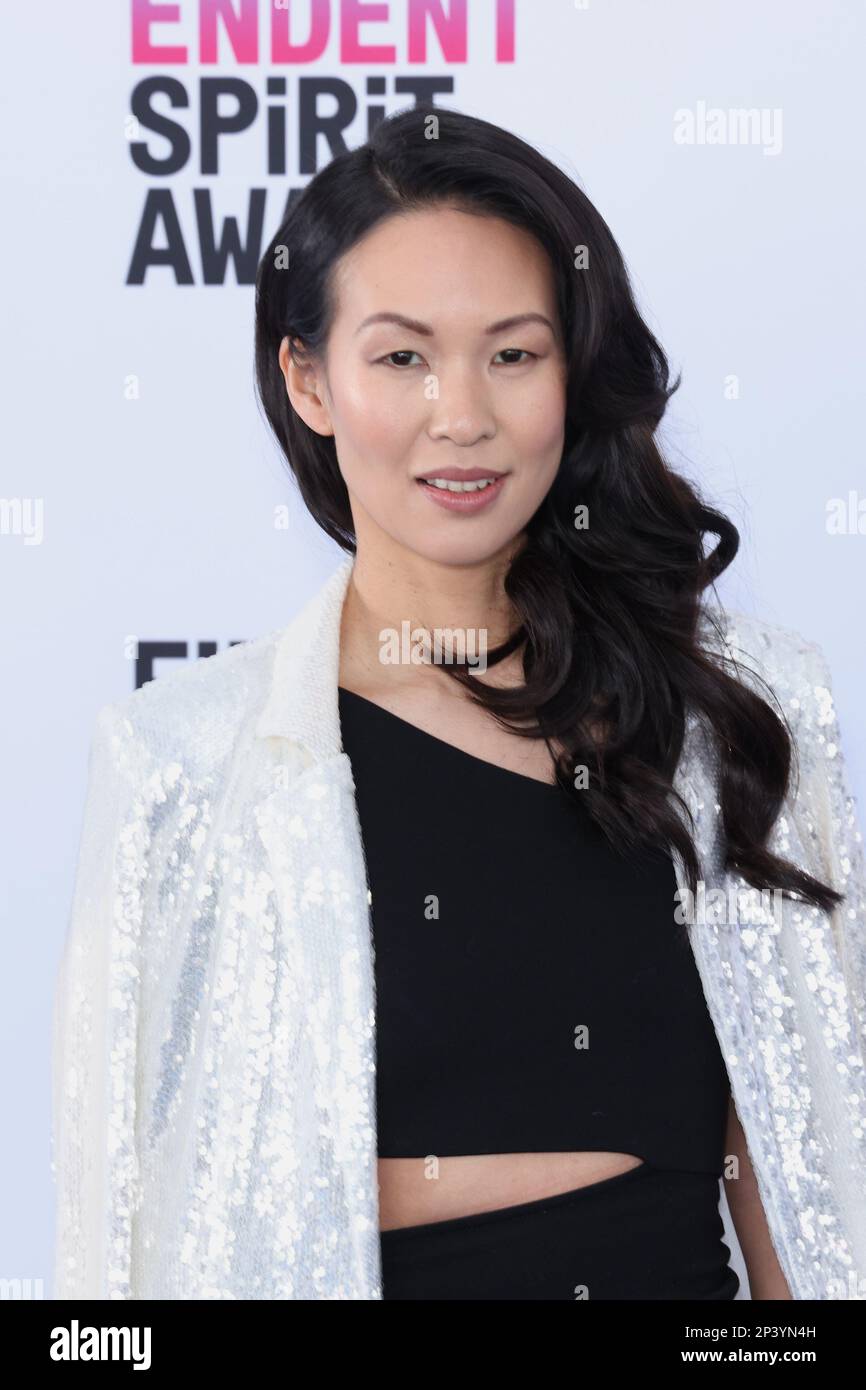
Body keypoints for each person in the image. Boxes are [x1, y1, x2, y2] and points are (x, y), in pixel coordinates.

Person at [52, 104, 866, 1301]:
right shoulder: (185, 761)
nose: (462, 413)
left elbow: (802, 1176)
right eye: (400, 357)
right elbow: (116, 1221)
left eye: (513, 353)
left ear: (570, 373)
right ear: (307, 379)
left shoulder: (729, 704)